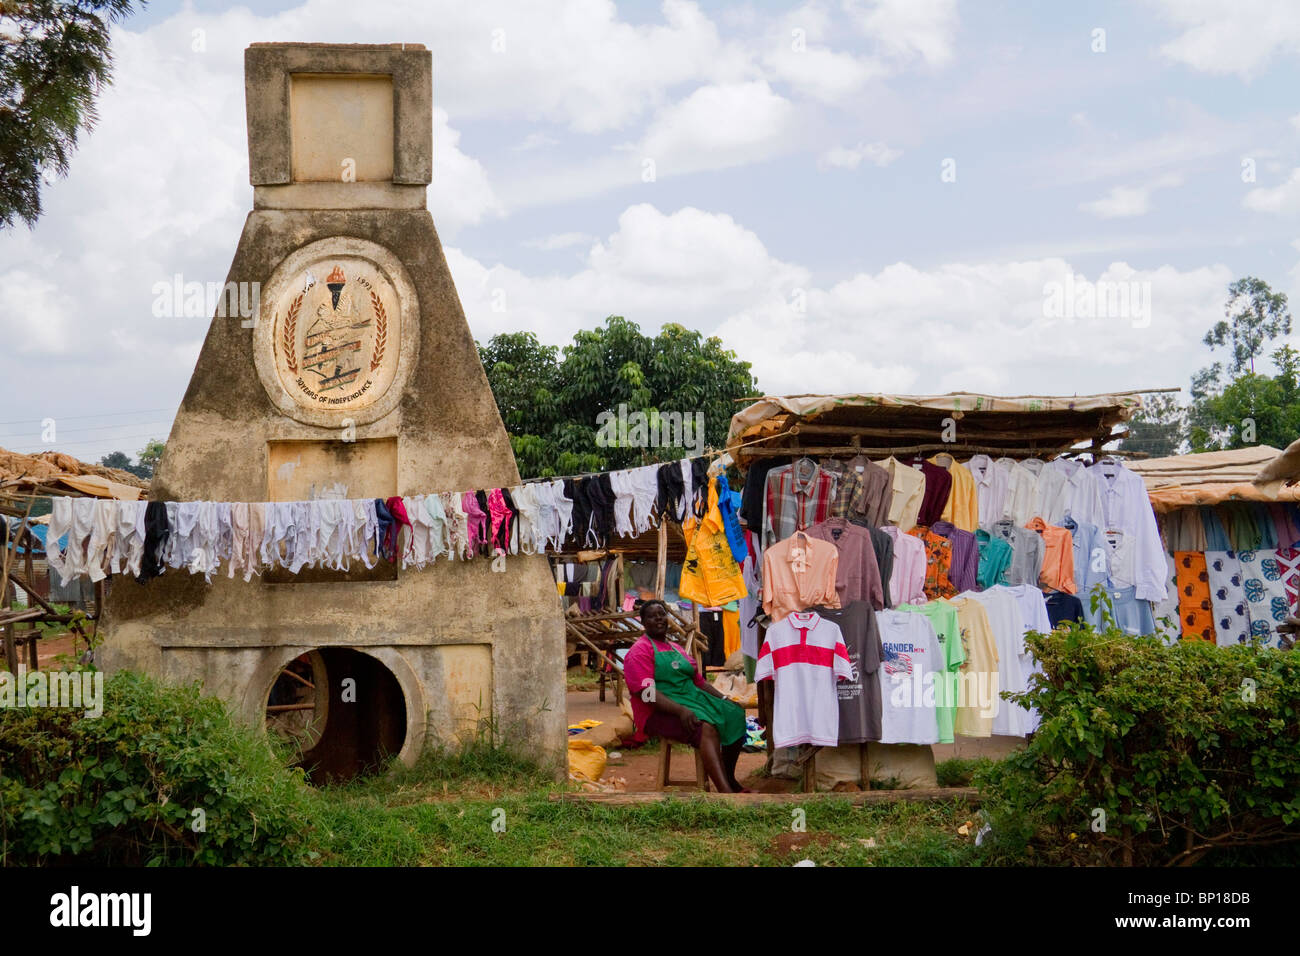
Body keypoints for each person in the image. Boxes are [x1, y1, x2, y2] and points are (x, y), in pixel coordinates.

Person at [622, 599, 749, 792]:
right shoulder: (639, 652)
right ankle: (726, 793)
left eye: (662, 614)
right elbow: (647, 694)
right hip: (656, 712)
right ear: (643, 622)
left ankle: (730, 778)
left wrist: (724, 698)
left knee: (735, 713)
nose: (658, 619)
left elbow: (698, 681)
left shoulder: (676, 648)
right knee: (706, 727)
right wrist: (681, 711)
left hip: (691, 700)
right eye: (652, 616)